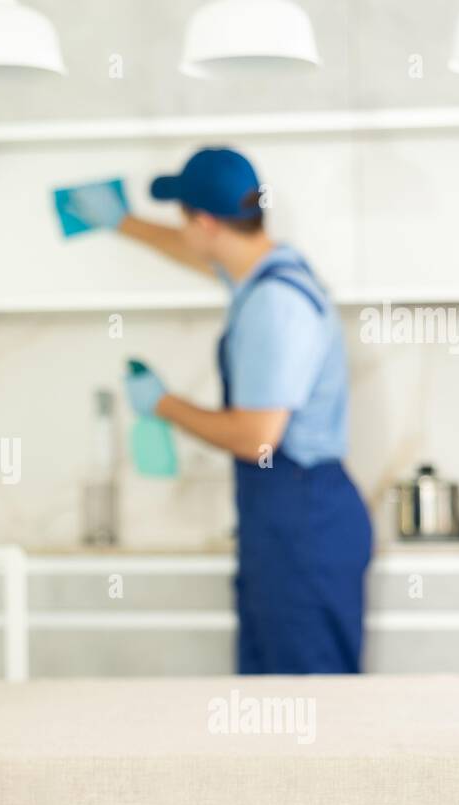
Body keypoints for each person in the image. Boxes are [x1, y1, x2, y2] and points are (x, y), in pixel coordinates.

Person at [66, 147, 372, 675]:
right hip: (287, 523)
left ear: (205, 222)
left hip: (302, 526)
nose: (181, 230)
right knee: (270, 705)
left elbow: (257, 438)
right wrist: (122, 222)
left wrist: (163, 404)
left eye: (183, 218)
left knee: (307, 713)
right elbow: (199, 253)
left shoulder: (274, 306)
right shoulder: (272, 269)